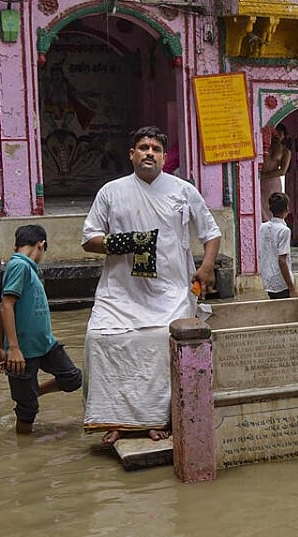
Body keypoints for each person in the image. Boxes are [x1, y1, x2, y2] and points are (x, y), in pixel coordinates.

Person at [81, 125, 222, 448]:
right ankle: (116, 420)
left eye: (156, 149)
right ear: (131, 154)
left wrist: (206, 267)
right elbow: (89, 239)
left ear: (163, 157)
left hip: (170, 291)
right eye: (143, 147)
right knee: (98, 338)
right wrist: (125, 243)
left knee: (161, 339)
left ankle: (154, 419)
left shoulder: (182, 190)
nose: (149, 153)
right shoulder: (111, 191)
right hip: (120, 292)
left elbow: (210, 233)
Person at [0, 224, 83, 434]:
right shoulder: (20, 266)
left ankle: (32, 393)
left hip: (45, 345)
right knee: (27, 411)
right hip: (22, 353)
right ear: (41, 245)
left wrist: (0, 346)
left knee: (72, 378)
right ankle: (24, 452)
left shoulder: (28, 268)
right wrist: (11, 348)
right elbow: (6, 305)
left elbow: (3, 307)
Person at [259, 192, 298, 299]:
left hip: (268, 280)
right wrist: (292, 288)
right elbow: (282, 260)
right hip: (282, 283)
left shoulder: (263, 227)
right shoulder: (284, 230)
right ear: (286, 209)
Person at [260, 123, 292, 220]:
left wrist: (263, 176)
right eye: (275, 133)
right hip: (260, 181)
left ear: (284, 136)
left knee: (273, 206)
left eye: (280, 133)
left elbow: (283, 171)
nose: (277, 135)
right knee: (260, 206)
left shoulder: (285, 151)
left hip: (272, 182)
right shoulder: (263, 147)